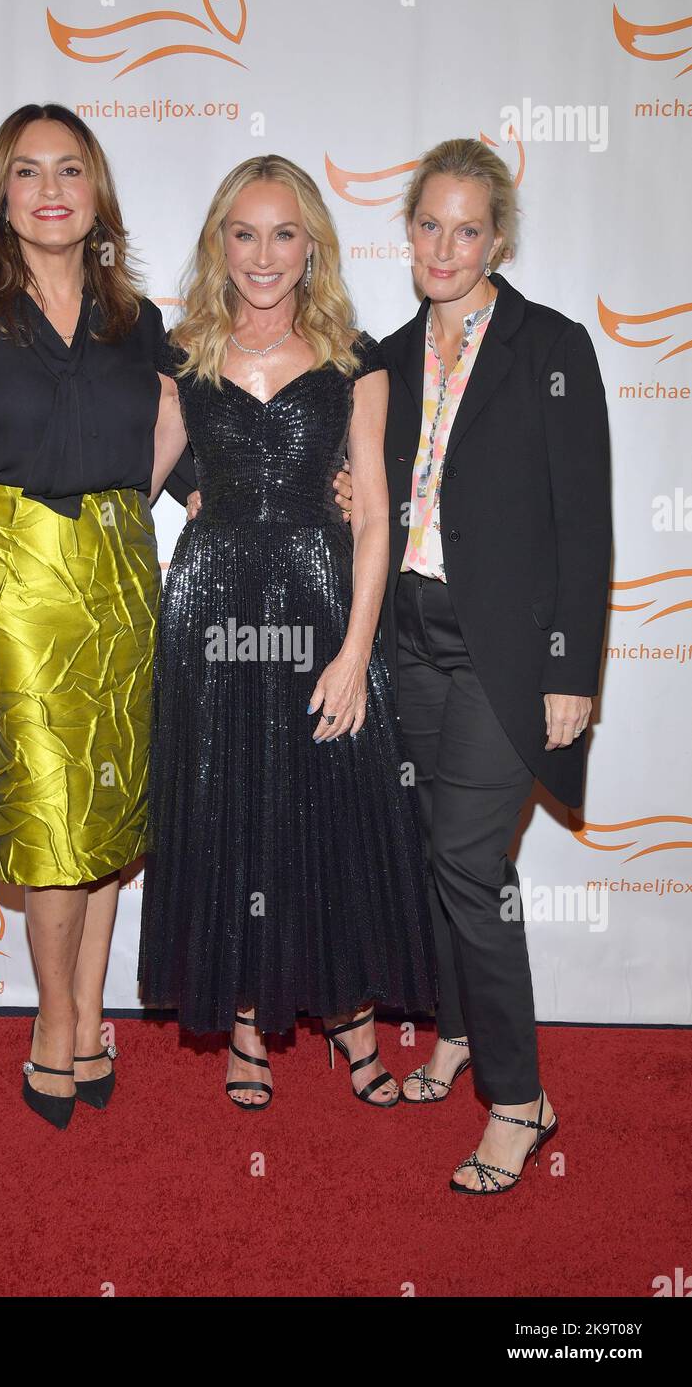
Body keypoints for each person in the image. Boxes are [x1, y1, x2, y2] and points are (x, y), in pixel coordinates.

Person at [137, 154, 438, 1110]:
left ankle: (347, 1013)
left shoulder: (357, 358)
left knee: (331, 812)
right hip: (211, 611)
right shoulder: (183, 357)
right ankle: (239, 1022)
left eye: (283, 234)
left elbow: (374, 513)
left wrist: (355, 653)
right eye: (243, 233)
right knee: (229, 806)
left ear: (311, 247)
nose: (262, 255)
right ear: (218, 243)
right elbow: (132, 483)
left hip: (318, 609)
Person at [0, 104, 165, 1129]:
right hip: (13, 582)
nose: (50, 188)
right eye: (26, 171)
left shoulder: (136, 322)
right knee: (50, 818)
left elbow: (196, 433)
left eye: (69, 169)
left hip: (121, 577)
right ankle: (55, 1022)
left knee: (105, 816)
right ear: (1, 198)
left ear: (96, 193)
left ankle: (91, 1013)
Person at [378, 139, 612, 1191]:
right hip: (408, 641)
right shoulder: (383, 357)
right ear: (409, 230)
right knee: (441, 854)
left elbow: (584, 523)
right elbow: (383, 506)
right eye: (428, 223)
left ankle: (519, 1097)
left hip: (502, 657)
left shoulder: (551, 347)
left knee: (472, 868)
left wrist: (569, 671)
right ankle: (457, 1033)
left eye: (466, 228)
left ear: (499, 240)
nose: (444, 245)